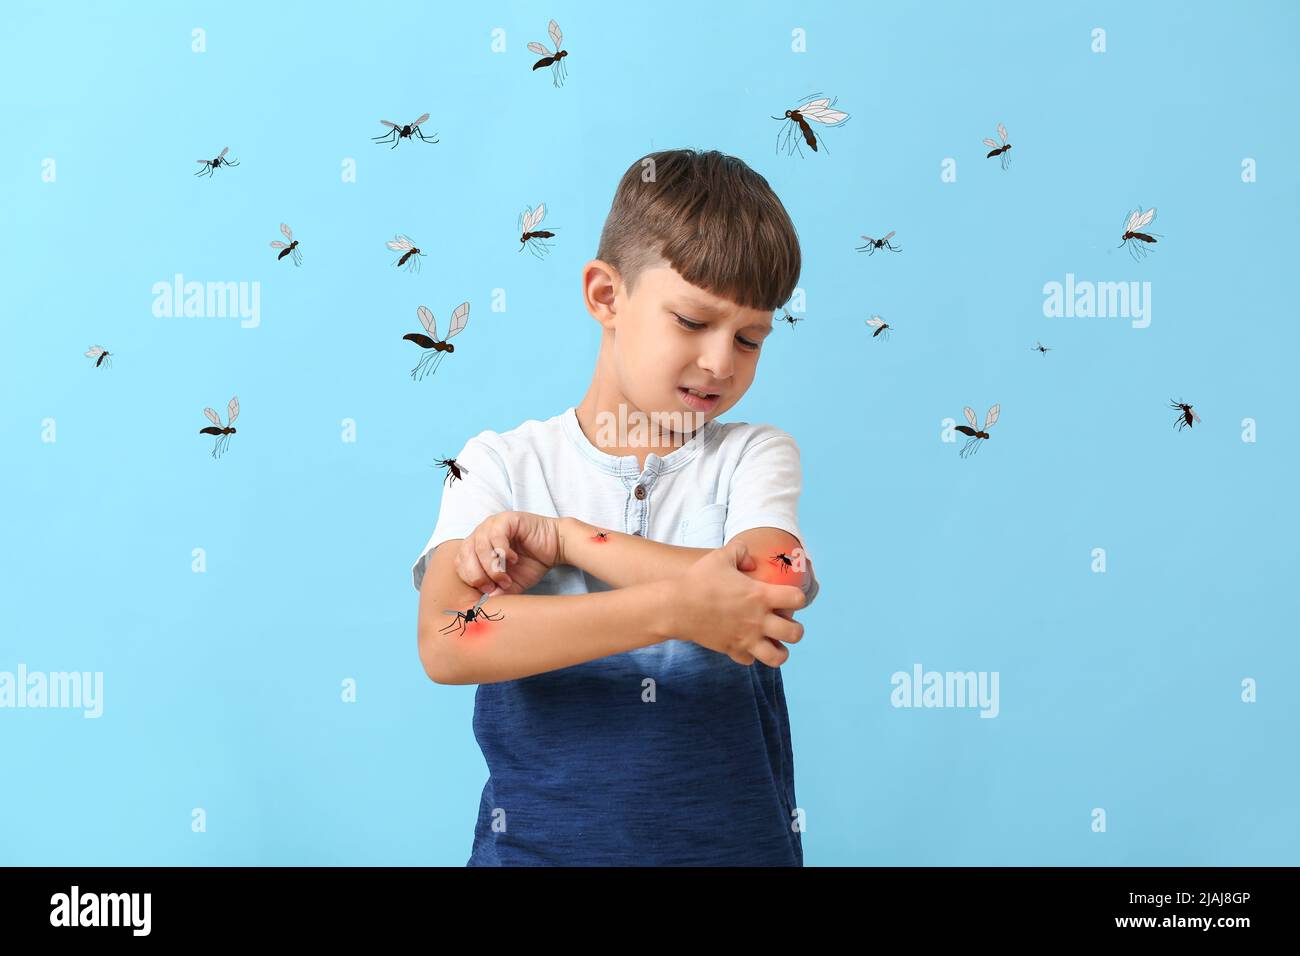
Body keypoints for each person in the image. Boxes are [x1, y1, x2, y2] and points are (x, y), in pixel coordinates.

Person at [411, 148, 820, 866]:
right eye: (693, 322)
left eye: (750, 338)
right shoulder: (499, 466)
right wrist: (676, 609)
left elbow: (770, 585)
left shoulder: (756, 454)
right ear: (606, 295)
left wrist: (571, 541)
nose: (723, 363)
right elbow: (450, 638)